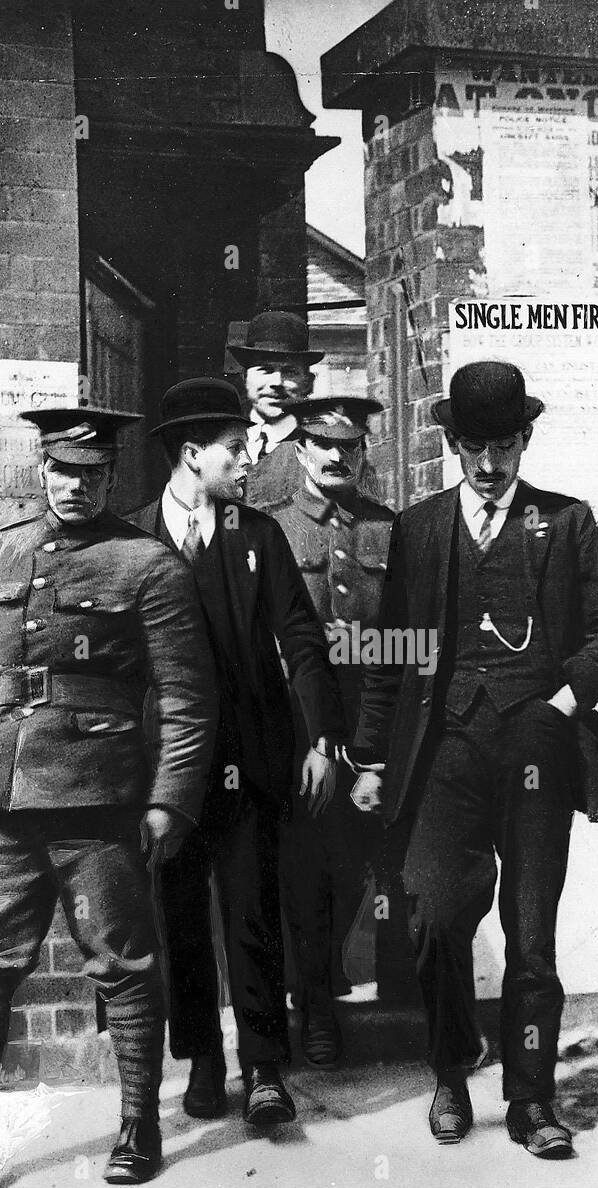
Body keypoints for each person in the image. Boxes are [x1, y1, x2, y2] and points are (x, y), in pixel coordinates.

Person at [0, 408, 217, 1185]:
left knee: (124, 966)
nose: (73, 485)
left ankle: (138, 1128)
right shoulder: (5, 550)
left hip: (99, 804)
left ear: (111, 477)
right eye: (60, 470)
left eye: (90, 473)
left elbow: (187, 696)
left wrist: (170, 801)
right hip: (2, 801)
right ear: (41, 470)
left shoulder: (146, 564)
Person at [348, 361, 598, 1158]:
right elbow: (388, 654)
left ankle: (532, 1101)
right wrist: (370, 758)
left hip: (538, 747)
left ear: (524, 439)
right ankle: (449, 1067)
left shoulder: (566, 521)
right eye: (473, 446)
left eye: (502, 446)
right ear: (452, 442)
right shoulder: (421, 528)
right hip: (445, 753)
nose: (488, 464)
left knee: (532, 940)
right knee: (433, 914)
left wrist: (562, 703)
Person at [126, 377, 345, 1126]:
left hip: (253, 756)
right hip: (168, 770)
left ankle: (263, 1067)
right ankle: (203, 1060)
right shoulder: (134, 539)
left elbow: (302, 638)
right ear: (193, 454)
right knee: (179, 916)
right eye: (234, 447)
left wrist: (320, 738)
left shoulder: (258, 536)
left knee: (253, 909)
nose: (249, 457)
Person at [268, 396, 398, 1066]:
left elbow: (407, 640)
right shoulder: (272, 529)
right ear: (300, 450)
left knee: (358, 867)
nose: (336, 455)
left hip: (372, 722)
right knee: (303, 870)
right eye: (322, 443)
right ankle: (313, 1007)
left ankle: (344, 989)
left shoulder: (387, 530)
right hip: (298, 726)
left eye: (348, 446)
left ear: (361, 452)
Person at [226, 309, 322, 510]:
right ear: (245, 377)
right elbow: (227, 519)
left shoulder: (324, 447)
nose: (276, 382)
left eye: (290, 371)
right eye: (265, 369)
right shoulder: (224, 443)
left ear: (308, 382)